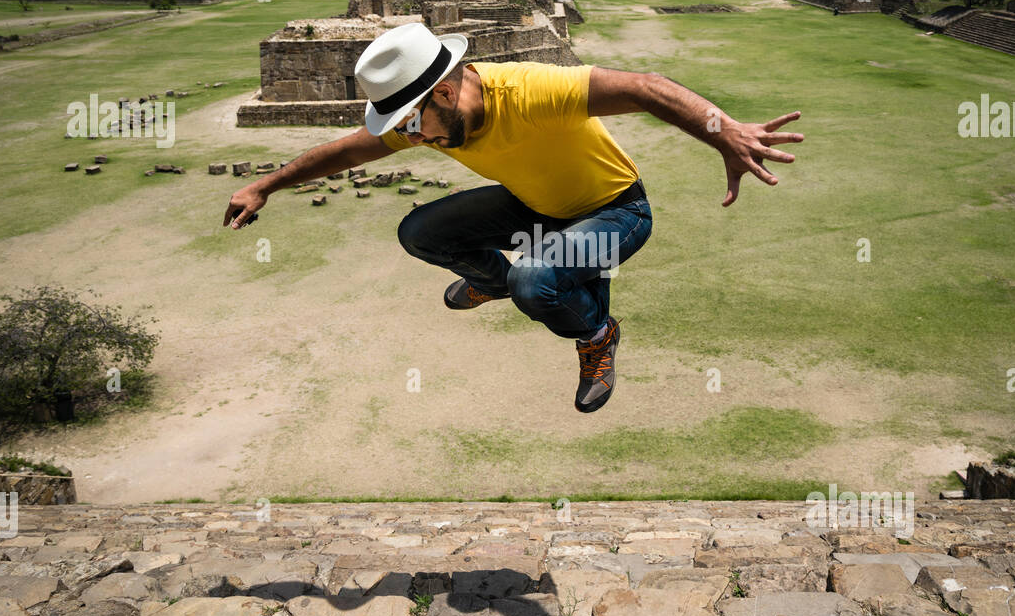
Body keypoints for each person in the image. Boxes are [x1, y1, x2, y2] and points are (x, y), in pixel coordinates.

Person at [224, 23, 803, 412]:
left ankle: (597, 333)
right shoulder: (430, 120)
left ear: (446, 95)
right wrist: (266, 185)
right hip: (533, 206)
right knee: (419, 233)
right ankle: (491, 281)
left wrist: (723, 131)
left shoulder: (530, 91)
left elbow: (648, 89)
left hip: (614, 210)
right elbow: (349, 150)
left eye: (409, 122)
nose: (407, 136)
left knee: (536, 281)